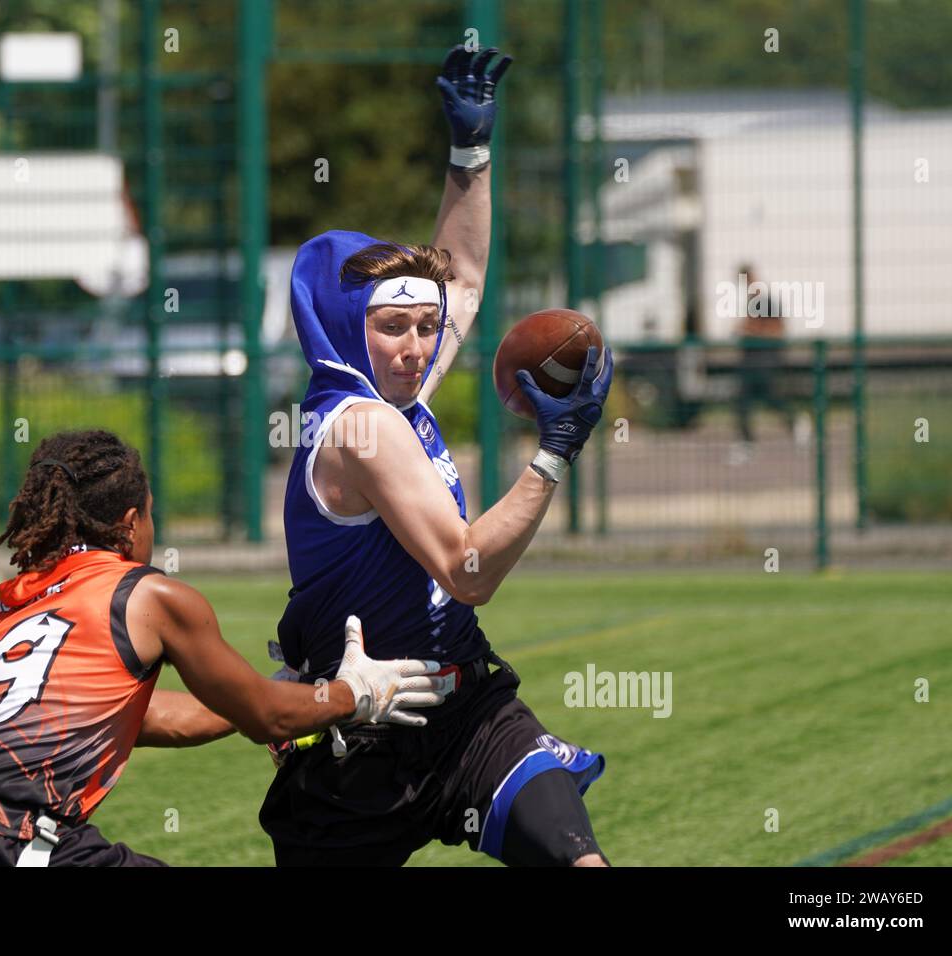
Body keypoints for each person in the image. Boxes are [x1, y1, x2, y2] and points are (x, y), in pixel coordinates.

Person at [258, 45, 615, 867]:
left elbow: (468, 275)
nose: (421, 346)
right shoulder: (362, 428)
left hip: (467, 709)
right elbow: (468, 571)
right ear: (349, 329)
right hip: (362, 740)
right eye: (396, 328)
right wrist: (556, 450)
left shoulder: (396, 391)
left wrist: (469, 155)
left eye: (427, 327)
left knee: (580, 862)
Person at [0, 430, 450, 867]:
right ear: (128, 522)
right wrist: (354, 694)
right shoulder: (148, 596)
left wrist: (295, 693)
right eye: (150, 514)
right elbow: (264, 718)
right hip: (6, 844)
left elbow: (151, 717)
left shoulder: (14, 603)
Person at [731, 263, 800, 463]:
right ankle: (746, 443)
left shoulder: (764, 299)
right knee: (742, 402)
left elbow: (777, 328)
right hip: (751, 358)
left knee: (771, 398)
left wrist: (751, 332)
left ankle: (796, 425)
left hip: (764, 358)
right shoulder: (753, 300)